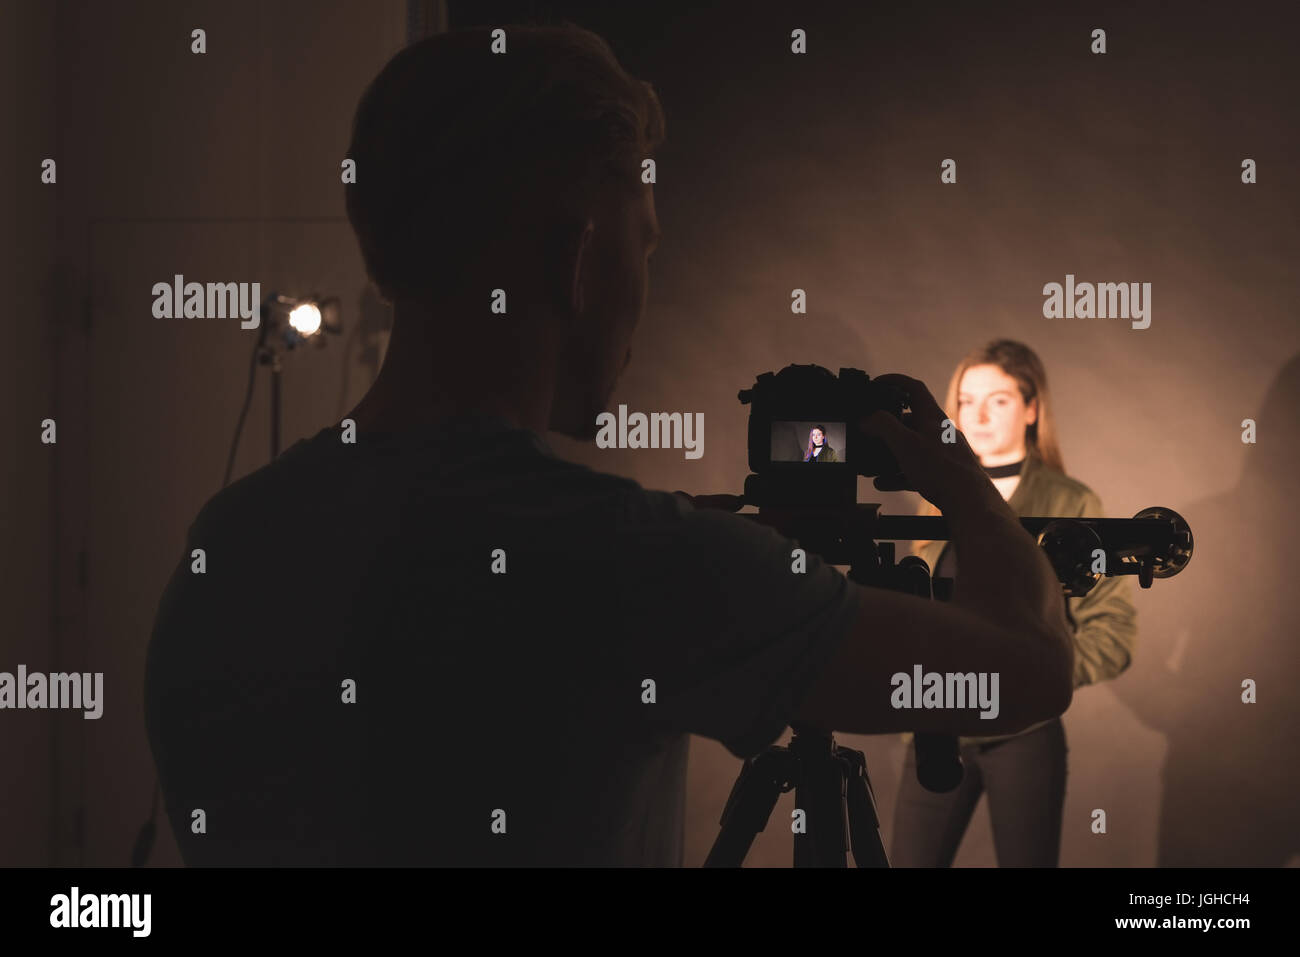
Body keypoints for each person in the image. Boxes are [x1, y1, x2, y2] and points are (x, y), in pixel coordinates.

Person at [144, 26, 1074, 867]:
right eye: (647, 248)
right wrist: (952, 468)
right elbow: (1031, 665)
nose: (644, 290)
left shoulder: (225, 546)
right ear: (575, 258)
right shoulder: (633, 560)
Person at [891, 340, 1138, 867]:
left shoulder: (1074, 503)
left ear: (1031, 408)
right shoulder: (931, 493)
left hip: (1025, 733)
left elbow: (1112, 632)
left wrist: (1033, 673)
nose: (976, 415)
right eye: (965, 400)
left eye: (998, 400)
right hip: (937, 724)